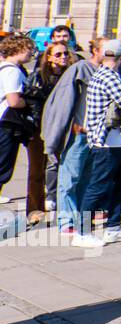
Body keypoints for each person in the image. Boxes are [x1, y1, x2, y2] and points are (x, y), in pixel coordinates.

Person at [77, 39, 121, 248]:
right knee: (98, 186)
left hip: (116, 140)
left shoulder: (101, 73)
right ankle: (82, 232)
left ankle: (113, 228)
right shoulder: (110, 77)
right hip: (105, 140)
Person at [42, 38, 102, 234]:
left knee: (86, 179)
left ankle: (80, 219)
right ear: (96, 50)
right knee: (69, 178)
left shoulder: (108, 71)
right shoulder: (82, 68)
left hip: (96, 134)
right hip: (79, 133)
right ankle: (66, 220)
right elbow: (64, 103)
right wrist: (58, 133)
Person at [23, 41, 73, 225]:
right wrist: (41, 126)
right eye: (58, 54)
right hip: (39, 130)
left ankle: (64, 206)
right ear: (49, 57)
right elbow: (32, 103)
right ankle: (35, 210)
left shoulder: (70, 76)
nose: (63, 57)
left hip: (63, 129)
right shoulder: (39, 76)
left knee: (65, 168)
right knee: (37, 170)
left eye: (65, 53)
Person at [0, 35, 37, 207]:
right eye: (29, 48)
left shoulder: (6, 68)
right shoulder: (13, 71)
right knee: (3, 163)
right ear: (19, 49)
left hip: (4, 120)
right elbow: (14, 100)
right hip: (7, 122)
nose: (32, 52)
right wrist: (30, 102)